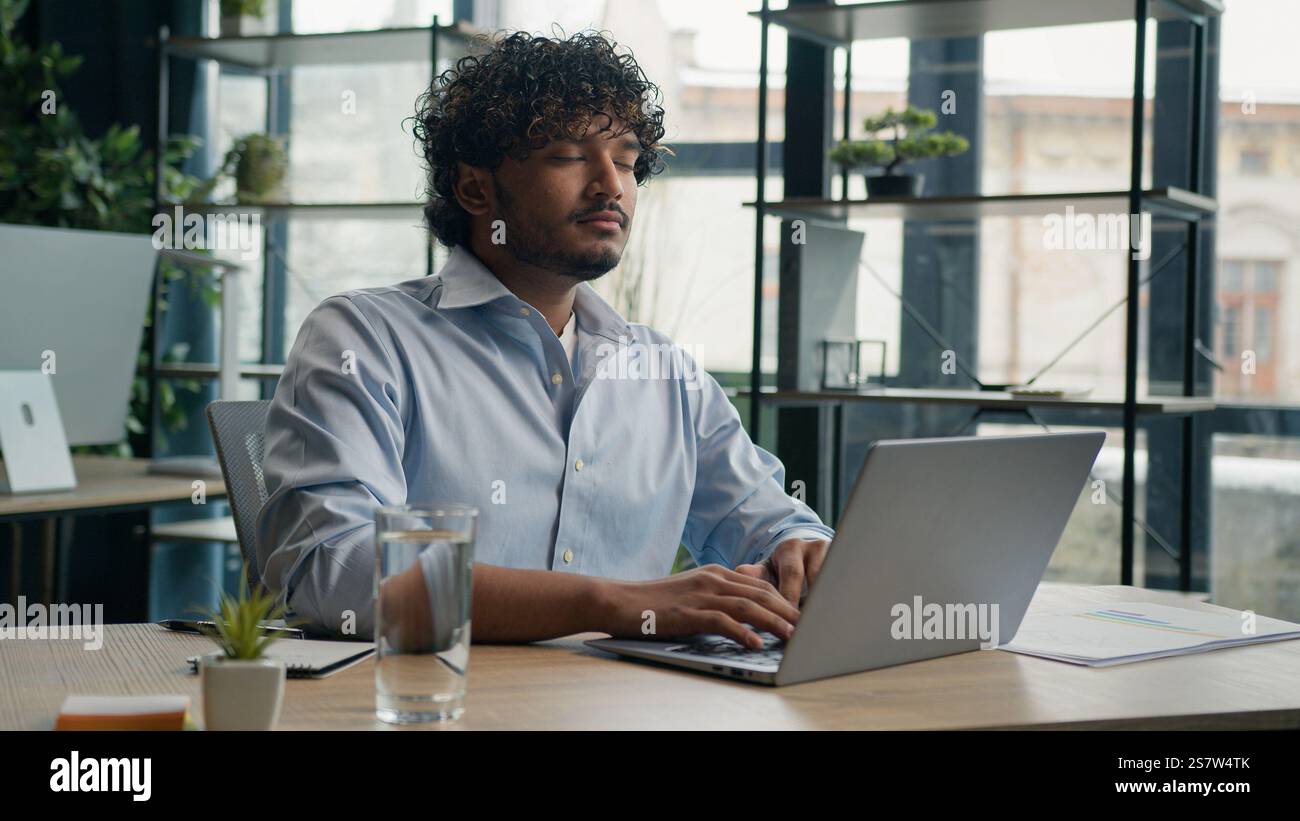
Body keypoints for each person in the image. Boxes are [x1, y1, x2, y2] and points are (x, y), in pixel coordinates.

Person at [256, 30, 833, 650]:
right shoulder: (365, 338)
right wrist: (611, 603)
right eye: (569, 156)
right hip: (438, 708)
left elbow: (771, 522)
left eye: (629, 160)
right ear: (476, 188)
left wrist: (798, 552)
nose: (611, 185)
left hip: (635, 709)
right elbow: (334, 572)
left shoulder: (666, 372)